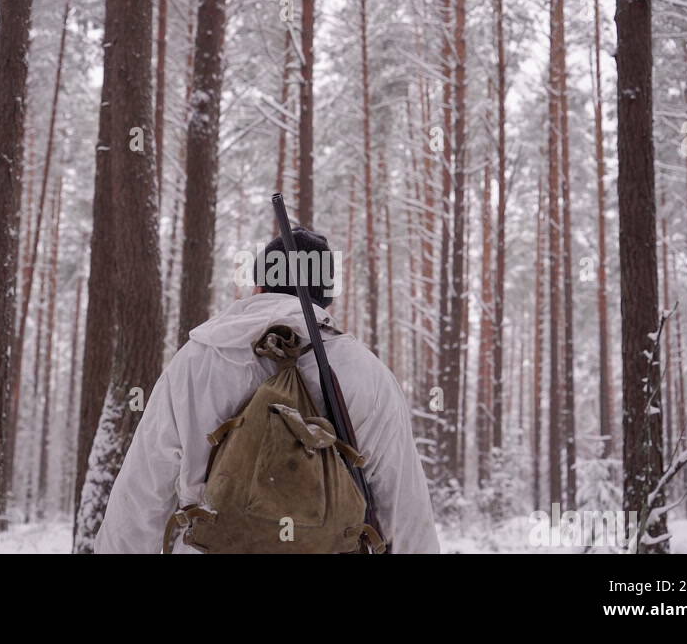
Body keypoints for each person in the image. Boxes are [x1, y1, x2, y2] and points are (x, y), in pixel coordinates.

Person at [94, 227, 439, 553]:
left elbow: (141, 492)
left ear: (260, 285)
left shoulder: (198, 360)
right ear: (326, 297)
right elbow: (405, 507)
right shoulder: (368, 375)